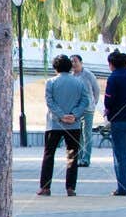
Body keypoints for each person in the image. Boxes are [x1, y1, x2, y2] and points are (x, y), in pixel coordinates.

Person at [40, 53, 89, 196]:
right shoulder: (79, 82)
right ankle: (70, 187)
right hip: (73, 125)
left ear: (55, 67)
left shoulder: (51, 82)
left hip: (54, 124)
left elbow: (50, 102)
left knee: (49, 154)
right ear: (69, 67)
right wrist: (74, 115)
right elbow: (85, 101)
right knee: (72, 155)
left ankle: (45, 187)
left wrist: (61, 115)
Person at [104, 50, 126, 197]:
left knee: (120, 155)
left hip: (119, 120)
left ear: (112, 64)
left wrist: (108, 111)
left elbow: (109, 100)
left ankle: (123, 188)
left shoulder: (113, 78)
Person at [71, 55, 100, 167]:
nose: (73, 64)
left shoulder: (88, 75)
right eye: (72, 62)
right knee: (77, 134)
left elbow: (96, 90)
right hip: (75, 109)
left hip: (88, 109)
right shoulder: (71, 76)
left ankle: (86, 159)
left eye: (75, 61)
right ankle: (78, 157)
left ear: (81, 62)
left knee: (86, 133)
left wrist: (93, 103)